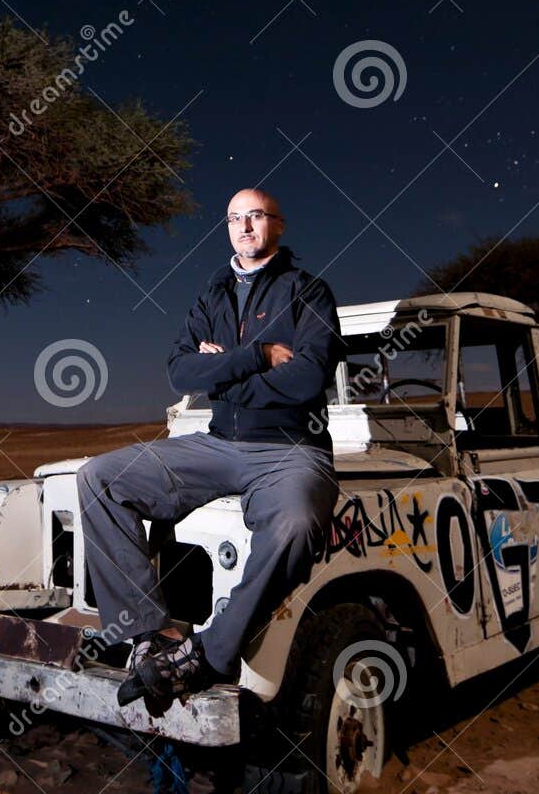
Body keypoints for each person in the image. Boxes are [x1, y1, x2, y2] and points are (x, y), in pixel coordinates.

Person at [76, 189, 344, 714]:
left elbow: (309, 379)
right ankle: (147, 635)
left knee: (294, 522)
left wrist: (222, 376)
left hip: (290, 449)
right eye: (234, 218)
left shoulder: (308, 291)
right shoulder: (212, 294)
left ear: (279, 224)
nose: (244, 226)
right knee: (100, 477)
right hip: (218, 444)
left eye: (256, 216)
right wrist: (260, 356)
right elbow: (180, 371)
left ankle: (207, 654)